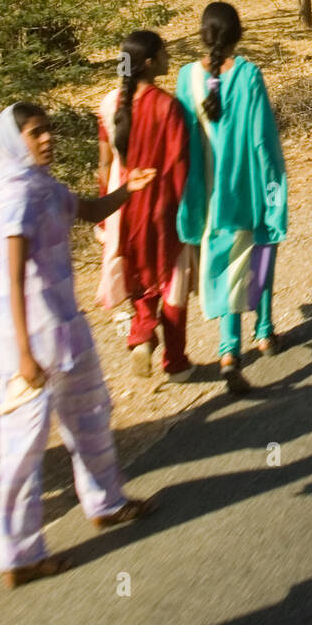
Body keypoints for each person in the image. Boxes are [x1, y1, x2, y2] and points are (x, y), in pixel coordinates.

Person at [0, 102, 157, 589]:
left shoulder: (44, 186)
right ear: (11, 141)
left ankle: (106, 502)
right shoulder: (14, 197)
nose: (47, 139)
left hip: (67, 327)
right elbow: (14, 276)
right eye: (35, 133)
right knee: (23, 451)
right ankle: (19, 554)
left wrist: (128, 189)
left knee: (90, 416)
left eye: (48, 131)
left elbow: (87, 210)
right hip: (30, 340)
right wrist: (23, 352)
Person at [175, 3, 287, 395]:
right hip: (247, 190)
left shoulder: (186, 77)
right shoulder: (248, 75)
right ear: (238, 33)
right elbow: (263, 142)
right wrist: (275, 190)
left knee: (224, 267)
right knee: (261, 253)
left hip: (206, 197)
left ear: (203, 34)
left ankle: (237, 345)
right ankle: (254, 338)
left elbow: (182, 142)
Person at [96, 31, 193, 382]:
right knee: (173, 278)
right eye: (164, 52)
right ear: (150, 62)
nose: (169, 56)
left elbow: (104, 164)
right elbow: (180, 165)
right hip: (162, 208)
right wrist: (190, 213)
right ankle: (176, 360)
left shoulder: (110, 105)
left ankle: (142, 332)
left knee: (138, 275)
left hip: (123, 207)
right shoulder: (167, 106)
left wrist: (105, 213)